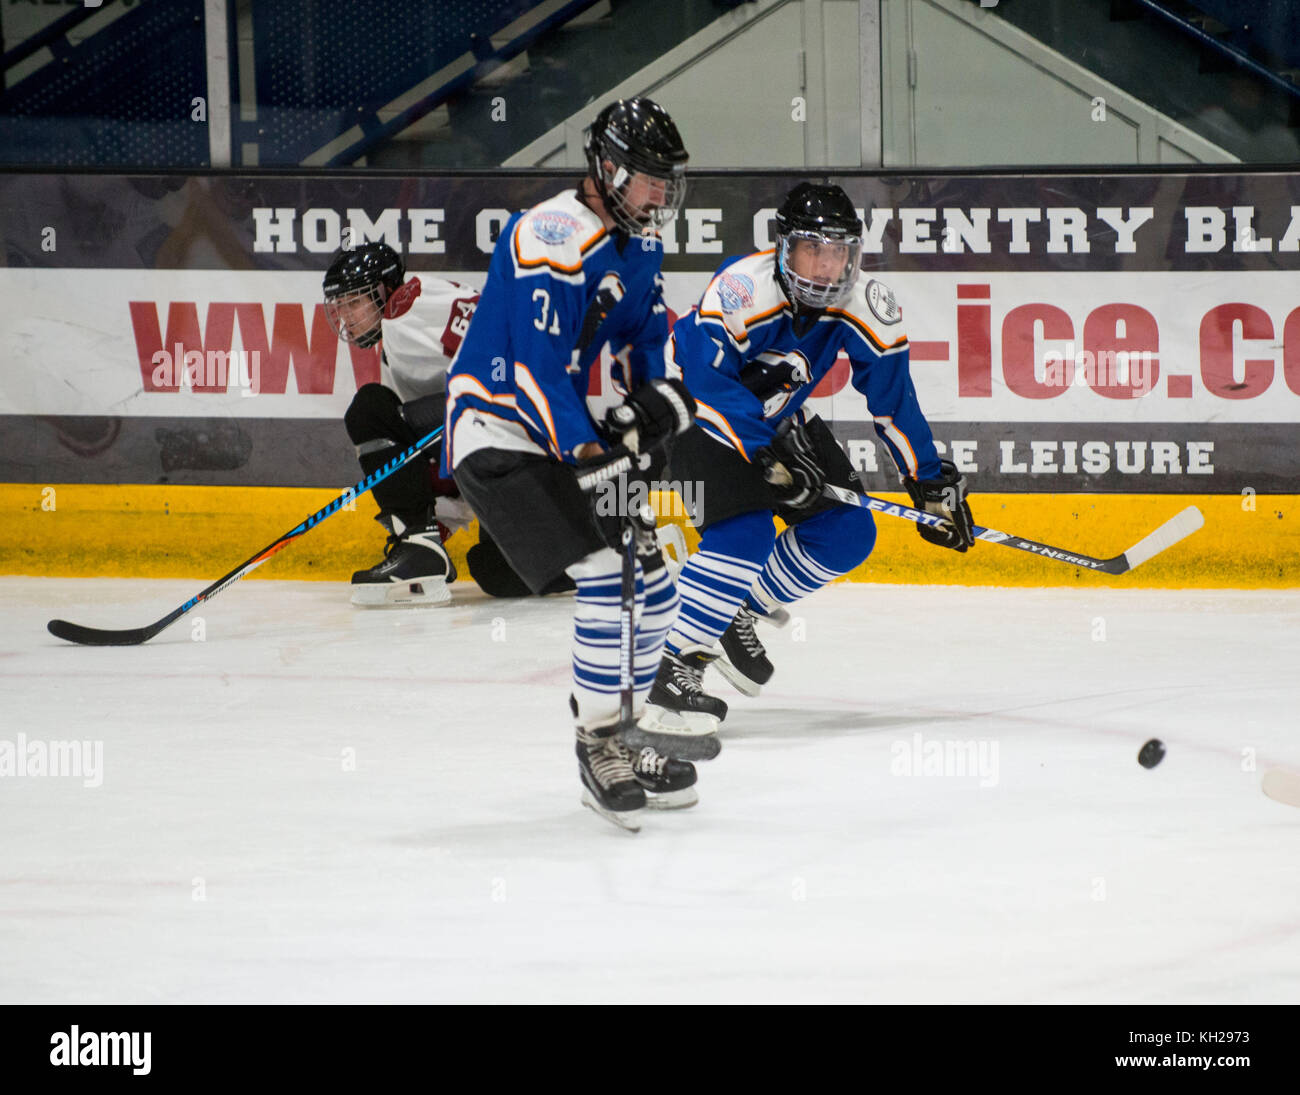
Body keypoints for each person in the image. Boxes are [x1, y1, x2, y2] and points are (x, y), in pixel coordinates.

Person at [644, 181, 975, 753]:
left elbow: (893, 399)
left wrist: (929, 484)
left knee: (846, 532)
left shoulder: (865, 303)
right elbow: (704, 381)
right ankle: (670, 672)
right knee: (743, 534)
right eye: (812, 250)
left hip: (769, 421)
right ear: (784, 247)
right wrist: (766, 456)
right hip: (685, 414)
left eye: (839, 251)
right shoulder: (742, 287)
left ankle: (733, 610)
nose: (826, 267)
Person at [442, 97, 697, 830]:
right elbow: (533, 367)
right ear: (609, 167)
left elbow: (647, 341)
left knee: (655, 573)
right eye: (650, 179)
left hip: (560, 434)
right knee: (597, 570)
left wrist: (655, 410)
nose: (660, 195)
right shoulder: (549, 235)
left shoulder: (638, 243)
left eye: (666, 181)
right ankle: (599, 742)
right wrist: (589, 450)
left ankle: (633, 727)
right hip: (496, 434)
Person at [324, 242, 558, 604]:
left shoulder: (405, 308)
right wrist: (435, 528)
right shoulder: (396, 339)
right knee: (499, 571)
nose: (346, 316)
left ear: (384, 290)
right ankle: (423, 545)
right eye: (340, 306)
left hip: (522, 429)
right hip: (507, 457)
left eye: (354, 302)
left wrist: (497, 403)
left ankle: (420, 544)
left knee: (369, 410)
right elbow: (427, 460)